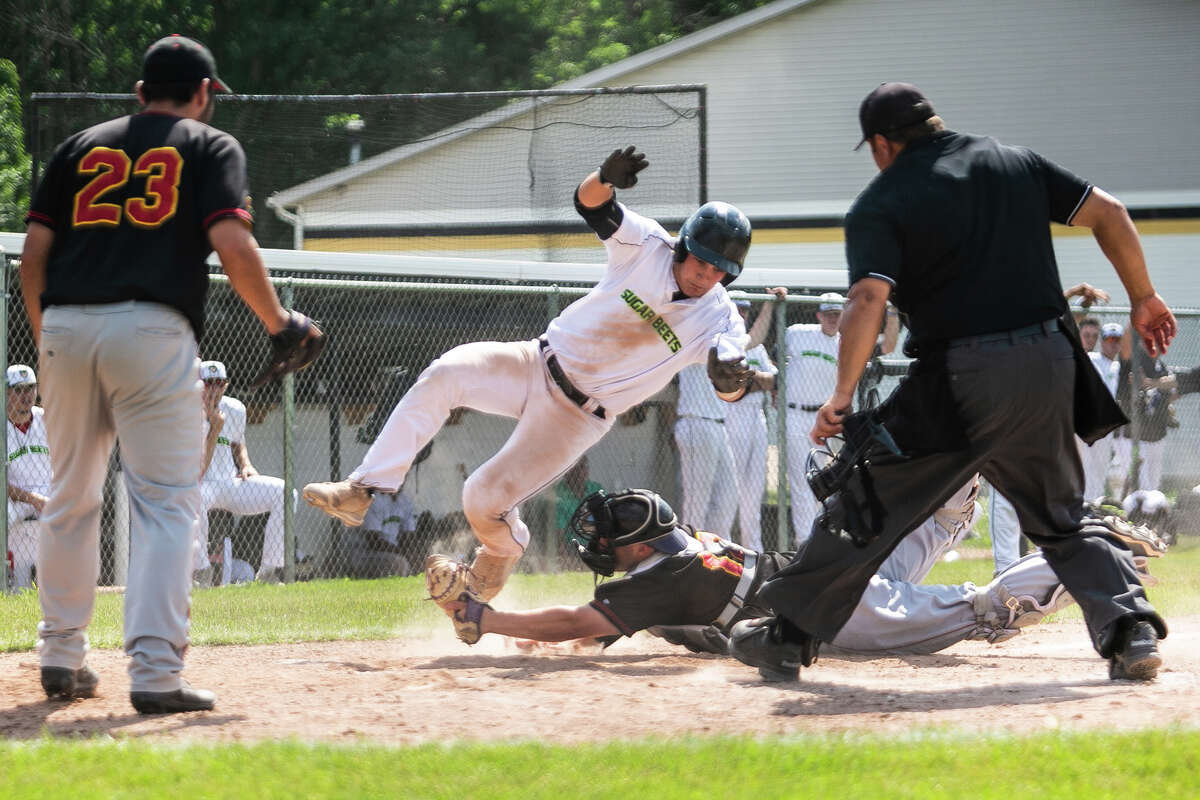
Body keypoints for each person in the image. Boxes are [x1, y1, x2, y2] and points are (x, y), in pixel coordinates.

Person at [728, 82, 1176, 683]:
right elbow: (1110, 213)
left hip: (961, 378)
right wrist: (1143, 296)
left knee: (866, 501)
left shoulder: (882, 200)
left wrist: (841, 395)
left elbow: (867, 298)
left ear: (882, 144)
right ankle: (1131, 629)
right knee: (1060, 514)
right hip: (1049, 363)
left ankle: (786, 636)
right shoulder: (1013, 161)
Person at [303, 146, 755, 612]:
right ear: (684, 247)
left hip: (577, 416)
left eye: (721, 270)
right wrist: (603, 175)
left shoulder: (719, 319)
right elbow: (591, 204)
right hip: (536, 362)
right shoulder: (647, 246)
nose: (709, 275)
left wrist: (729, 379)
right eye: (702, 261)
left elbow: (732, 380)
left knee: (480, 498)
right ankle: (363, 490)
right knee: (446, 372)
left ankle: (501, 551)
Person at [20, 35, 322, 713]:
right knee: (163, 502)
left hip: (65, 325)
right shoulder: (208, 145)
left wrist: (51, 346)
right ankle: (155, 673)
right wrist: (280, 323)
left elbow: (32, 257)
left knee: (69, 496)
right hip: (153, 331)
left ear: (138, 93)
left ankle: (61, 657)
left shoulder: (78, 147)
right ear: (205, 93)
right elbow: (233, 243)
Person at [444, 486, 1167, 662]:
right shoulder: (681, 550)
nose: (595, 542)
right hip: (826, 569)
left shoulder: (660, 579)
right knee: (928, 535)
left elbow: (579, 622)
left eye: (605, 536)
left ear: (633, 547)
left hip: (832, 610)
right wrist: (527, 636)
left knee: (981, 614)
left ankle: (1091, 548)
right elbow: (583, 629)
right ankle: (960, 487)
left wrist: (486, 618)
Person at [193, 360, 294, 585]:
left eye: (219, 383)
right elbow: (199, 467)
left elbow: (238, 443)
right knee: (194, 497)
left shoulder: (235, 408)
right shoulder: (188, 412)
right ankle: (201, 572)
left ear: (226, 385)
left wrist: (246, 464)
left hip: (230, 483)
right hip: (202, 483)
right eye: (208, 383)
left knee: (286, 493)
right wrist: (214, 427)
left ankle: (268, 571)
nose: (214, 389)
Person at [782, 292, 844, 548]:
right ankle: (802, 544)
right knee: (800, 483)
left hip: (826, 419)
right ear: (819, 315)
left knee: (827, 483)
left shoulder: (846, 343)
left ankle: (824, 541)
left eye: (836, 315)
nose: (831, 319)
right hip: (796, 414)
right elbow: (776, 355)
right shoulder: (797, 333)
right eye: (827, 314)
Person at [724, 293, 780, 550]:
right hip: (730, 417)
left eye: (745, 310)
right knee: (728, 492)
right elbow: (739, 382)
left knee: (753, 494)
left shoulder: (757, 346)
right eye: (738, 309)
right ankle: (723, 548)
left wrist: (758, 381)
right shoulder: (725, 342)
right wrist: (760, 381)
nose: (742, 314)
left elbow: (774, 380)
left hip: (757, 417)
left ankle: (753, 553)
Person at [673, 363, 737, 538]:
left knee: (727, 497)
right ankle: (689, 556)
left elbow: (749, 341)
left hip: (719, 425)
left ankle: (717, 555)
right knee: (696, 505)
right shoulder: (696, 337)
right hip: (696, 421)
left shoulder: (729, 339)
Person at [5, 365, 50, 589]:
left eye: (30, 388)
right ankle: (7, 580)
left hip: (50, 493)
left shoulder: (48, 419)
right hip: (15, 499)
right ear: (6, 393)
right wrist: (33, 499)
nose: (26, 395)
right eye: (19, 389)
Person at [346, 485, 418, 578]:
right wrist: (402, 552)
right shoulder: (374, 499)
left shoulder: (404, 501)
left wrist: (413, 552)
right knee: (400, 562)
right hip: (366, 554)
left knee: (420, 559)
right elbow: (373, 542)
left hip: (394, 551)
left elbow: (409, 535)